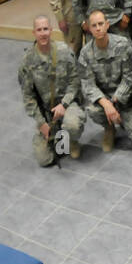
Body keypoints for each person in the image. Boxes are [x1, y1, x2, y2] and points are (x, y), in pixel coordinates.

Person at [78, 9, 132, 153]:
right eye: (94, 25)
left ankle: (123, 119)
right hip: (104, 100)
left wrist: (115, 101)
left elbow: (130, 77)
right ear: (89, 28)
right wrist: (107, 104)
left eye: (101, 24)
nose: (98, 28)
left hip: (126, 99)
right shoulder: (85, 54)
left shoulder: (123, 45)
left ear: (107, 24)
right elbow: (88, 85)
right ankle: (109, 128)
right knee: (92, 109)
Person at [18, 15, 85, 165]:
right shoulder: (27, 61)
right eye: (39, 30)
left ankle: (71, 140)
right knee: (45, 160)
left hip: (67, 104)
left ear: (51, 30)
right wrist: (41, 122)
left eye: (45, 29)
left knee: (72, 125)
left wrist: (64, 104)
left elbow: (75, 81)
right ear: (34, 33)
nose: (43, 33)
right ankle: (55, 134)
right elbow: (28, 97)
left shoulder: (64, 51)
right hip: (47, 111)